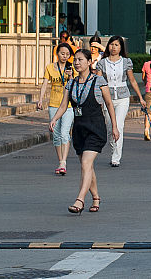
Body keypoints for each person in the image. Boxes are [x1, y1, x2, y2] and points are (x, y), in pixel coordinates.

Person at [49, 48, 118, 214]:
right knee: (87, 165)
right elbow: (64, 105)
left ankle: (79, 200)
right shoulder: (71, 83)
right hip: (79, 129)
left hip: (96, 128)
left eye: (81, 60)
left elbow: (109, 105)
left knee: (86, 163)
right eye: (76, 60)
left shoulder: (99, 81)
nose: (77, 63)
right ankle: (96, 197)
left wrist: (114, 127)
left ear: (89, 62)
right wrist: (55, 119)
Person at [94, 36, 145, 167]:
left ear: (121, 47)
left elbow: (132, 80)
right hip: (107, 97)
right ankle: (113, 149)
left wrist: (140, 97)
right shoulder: (102, 62)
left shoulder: (126, 62)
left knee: (119, 126)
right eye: (111, 44)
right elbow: (98, 82)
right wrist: (97, 98)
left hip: (123, 97)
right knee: (111, 126)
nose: (113, 47)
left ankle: (116, 157)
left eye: (117, 45)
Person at [36, 41, 76, 175]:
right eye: (62, 53)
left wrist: (70, 75)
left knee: (65, 133)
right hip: (54, 104)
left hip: (68, 105)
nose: (65, 56)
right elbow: (45, 84)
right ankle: (61, 162)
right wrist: (40, 99)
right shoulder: (50, 68)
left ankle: (63, 162)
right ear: (57, 53)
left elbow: (73, 85)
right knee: (56, 135)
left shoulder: (72, 68)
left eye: (67, 54)